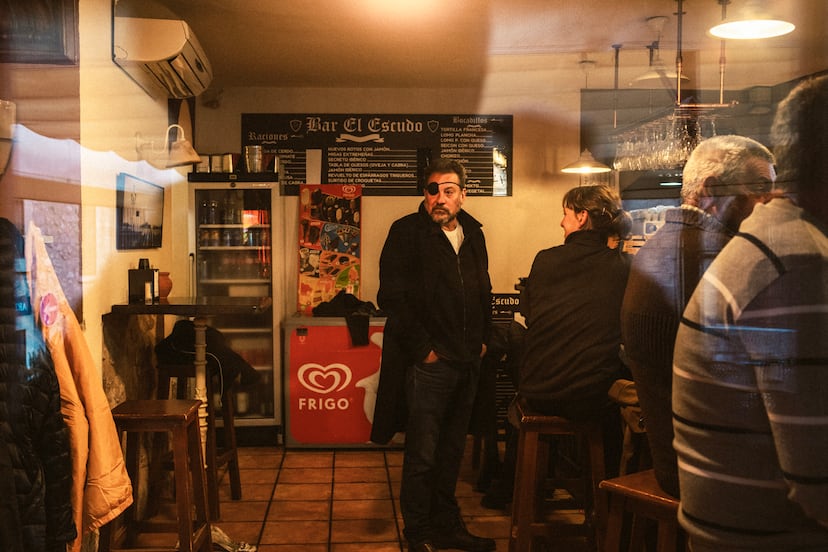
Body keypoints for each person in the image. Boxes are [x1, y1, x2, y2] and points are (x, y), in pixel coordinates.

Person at [672, 75, 828, 551]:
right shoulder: (795, 264)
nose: (762, 196)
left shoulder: (770, 246)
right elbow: (819, 484)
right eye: (756, 186)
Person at [620, 135, 776, 498]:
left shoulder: (654, 248)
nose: (770, 203)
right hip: (719, 477)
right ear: (710, 190)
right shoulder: (723, 261)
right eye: (759, 189)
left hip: (673, 462)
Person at [370, 158, 494, 552]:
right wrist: (424, 350)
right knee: (422, 455)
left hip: (466, 361)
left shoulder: (473, 233)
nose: (439, 197)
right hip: (431, 365)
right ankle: (419, 533)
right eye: (432, 189)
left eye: (449, 189)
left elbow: (483, 291)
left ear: (463, 194)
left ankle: (447, 526)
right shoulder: (407, 232)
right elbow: (392, 298)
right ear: (424, 193)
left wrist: (483, 340)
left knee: (452, 451)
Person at [483, 184, 632, 509]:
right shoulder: (624, 267)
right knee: (617, 411)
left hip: (539, 391)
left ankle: (515, 490)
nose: (561, 223)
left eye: (565, 215)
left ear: (581, 217)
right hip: (588, 400)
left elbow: (533, 314)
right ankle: (607, 503)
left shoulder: (546, 260)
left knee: (521, 401)